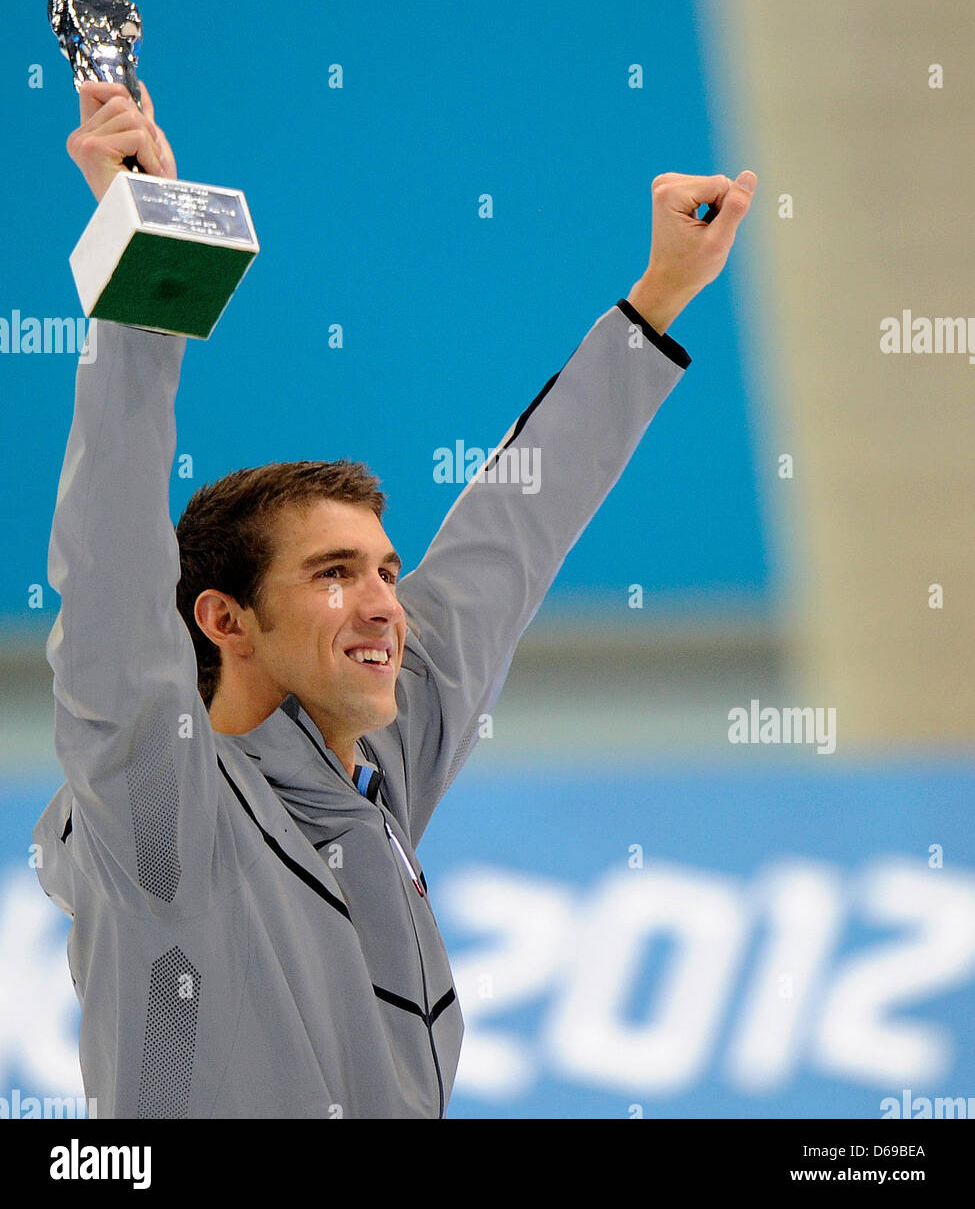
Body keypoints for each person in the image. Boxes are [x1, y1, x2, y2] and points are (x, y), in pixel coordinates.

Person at [34, 79, 755, 1118]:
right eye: (334, 575)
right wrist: (153, 262)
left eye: (382, 569)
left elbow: (507, 539)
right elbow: (107, 564)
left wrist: (656, 300)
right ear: (223, 619)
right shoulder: (163, 810)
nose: (383, 603)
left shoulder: (374, 770)